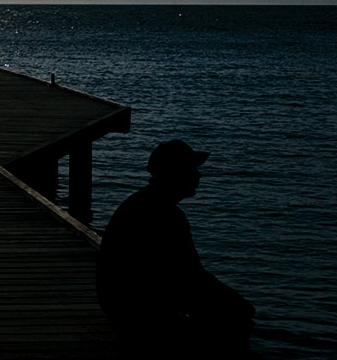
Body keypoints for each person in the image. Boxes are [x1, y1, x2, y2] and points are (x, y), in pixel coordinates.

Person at [96, 139, 256, 358]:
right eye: (191, 169)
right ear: (175, 173)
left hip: (120, 303)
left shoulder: (140, 204)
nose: (198, 175)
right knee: (235, 320)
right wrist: (235, 302)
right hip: (137, 310)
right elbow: (191, 275)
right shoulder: (167, 216)